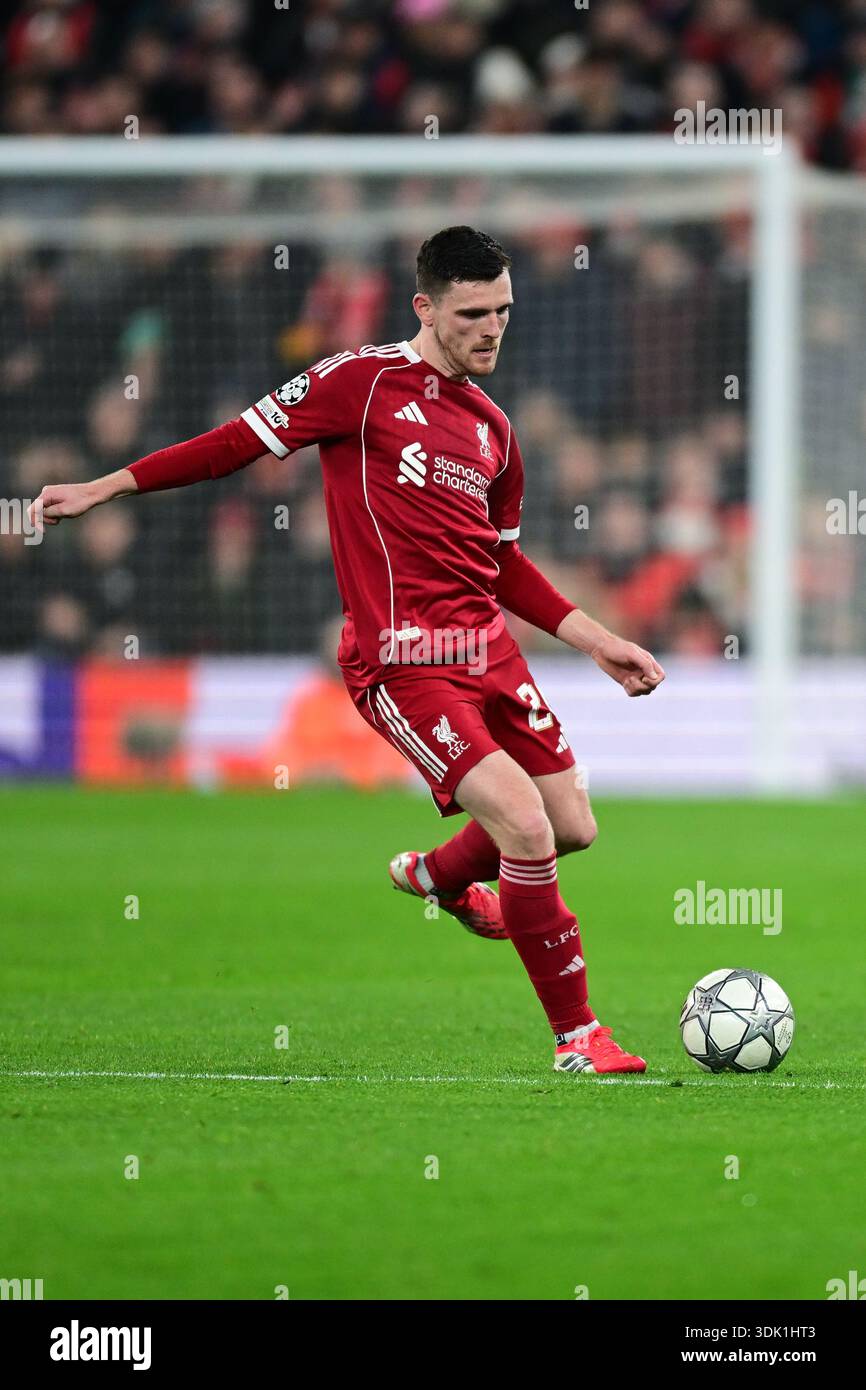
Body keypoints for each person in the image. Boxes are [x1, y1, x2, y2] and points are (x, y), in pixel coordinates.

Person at [29, 226, 665, 1076]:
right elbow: (231, 446)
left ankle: (437, 877)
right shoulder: (356, 385)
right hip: (400, 660)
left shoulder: (495, 431)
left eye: (504, 312)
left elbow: (502, 562)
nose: (492, 329)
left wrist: (597, 641)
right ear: (425, 307)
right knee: (521, 823)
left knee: (572, 825)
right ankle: (579, 1038)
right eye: (473, 313)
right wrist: (106, 486)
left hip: (489, 656)